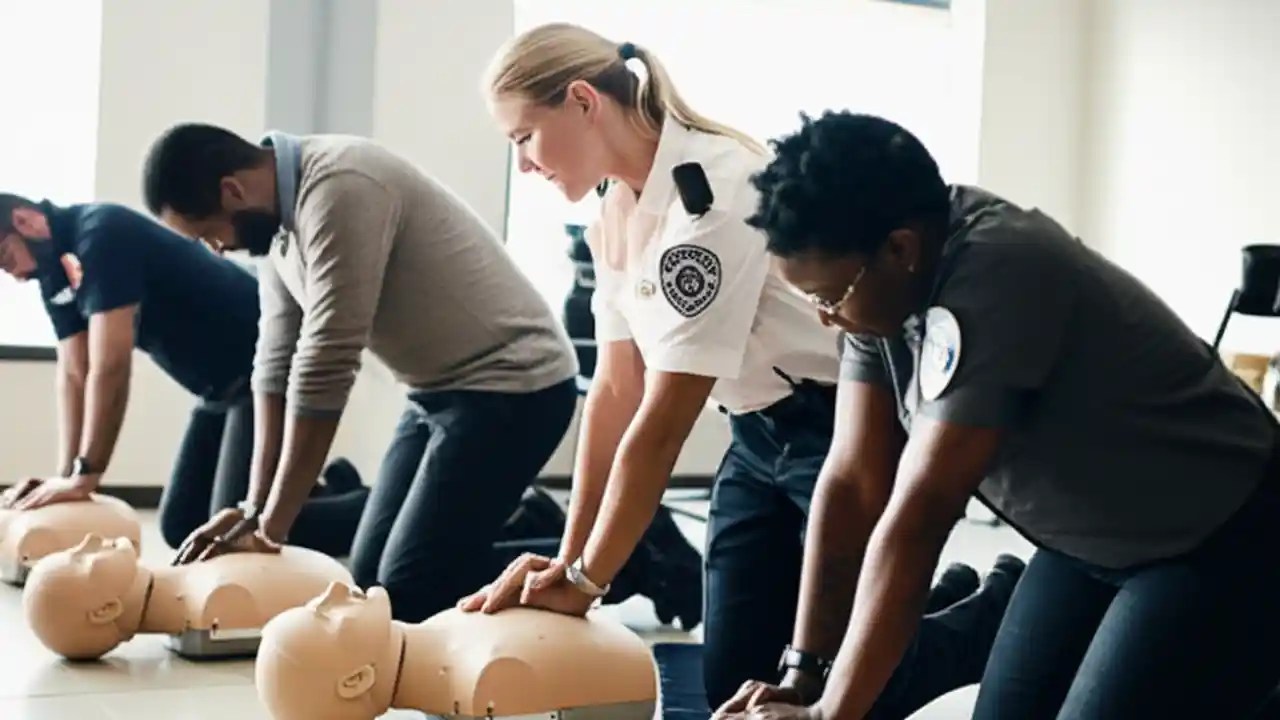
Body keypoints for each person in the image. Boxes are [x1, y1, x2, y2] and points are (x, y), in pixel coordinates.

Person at [458, 23, 1025, 719]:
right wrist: (567, 561)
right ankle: (932, 608)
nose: (524, 166)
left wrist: (587, 579)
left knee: (836, 697)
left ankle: (987, 619)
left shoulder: (713, 196)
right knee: (734, 687)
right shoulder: (615, 211)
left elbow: (663, 422)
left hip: (842, 430)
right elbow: (614, 393)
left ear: (581, 101)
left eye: (523, 138)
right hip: (755, 440)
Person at [715, 111, 1280, 720]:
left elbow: (921, 514)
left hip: (1222, 539)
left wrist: (830, 716)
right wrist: (804, 672)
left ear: (900, 249)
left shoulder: (999, 271)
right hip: (1087, 543)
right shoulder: (875, 286)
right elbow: (852, 481)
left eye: (827, 298)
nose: (825, 318)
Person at [140, 123, 704, 626]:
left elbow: (327, 361)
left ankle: (639, 555)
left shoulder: (340, 184)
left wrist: (272, 528)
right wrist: (251, 507)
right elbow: (274, 362)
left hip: (513, 386)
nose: (215, 249)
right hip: (436, 394)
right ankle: (526, 519)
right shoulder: (278, 230)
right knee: (374, 578)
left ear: (233, 192)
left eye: (207, 233)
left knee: (411, 591)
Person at [0, 193, 369, 558]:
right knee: (184, 525)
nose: (15, 275)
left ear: (24, 221)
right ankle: (327, 489)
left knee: (237, 528)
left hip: (265, 370)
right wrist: (66, 475)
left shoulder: (101, 233)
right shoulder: (55, 277)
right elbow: (73, 374)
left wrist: (88, 473)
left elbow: (110, 367)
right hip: (219, 390)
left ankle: (377, 509)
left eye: (6, 257)